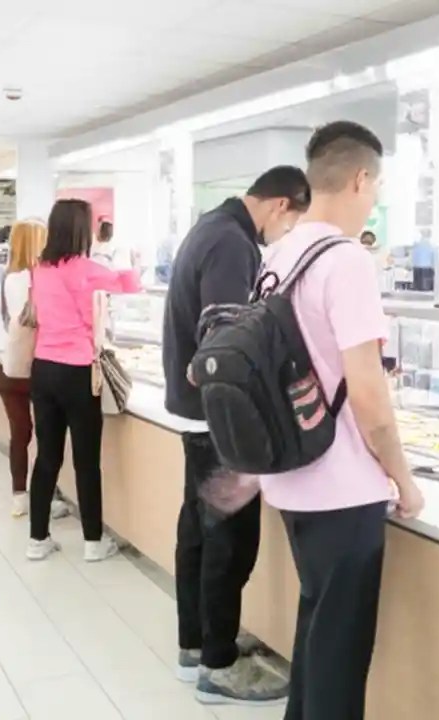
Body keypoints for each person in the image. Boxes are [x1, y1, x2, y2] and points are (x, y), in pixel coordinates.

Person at [260, 121, 424, 720]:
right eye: (375, 186)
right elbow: (369, 398)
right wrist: (403, 479)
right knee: (340, 656)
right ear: (360, 179)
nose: (373, 198)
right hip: (342, 485)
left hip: (289, 470)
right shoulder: (346, 259)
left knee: (317, 630)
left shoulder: (278, 254)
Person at [162, 165, 310, 704]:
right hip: (219, 418)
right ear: (280, 205)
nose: (284, 234)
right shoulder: (232, 243)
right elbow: (224, 338)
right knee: (228, 540)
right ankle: (219, 666)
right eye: (290, 223)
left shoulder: (210, 227)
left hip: (196, 412)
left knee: (199, 532)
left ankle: (197, 645)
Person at [25, 199, 141, 563]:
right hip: (78, 371)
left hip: (43, 368)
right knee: (86, 461)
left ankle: (37, 538)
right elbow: (131, 286)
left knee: (46, 457)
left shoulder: (39, 269)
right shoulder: (88, 269)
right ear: (82, 229)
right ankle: (93, 541)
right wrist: (130, 260)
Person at [0, 218, 71, 521]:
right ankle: (47, 497)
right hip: (40, 366)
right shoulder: (44, 277)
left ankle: (19, 497)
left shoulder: (7, 277)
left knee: (19, 434)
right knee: (47, 436)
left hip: (10, 366)